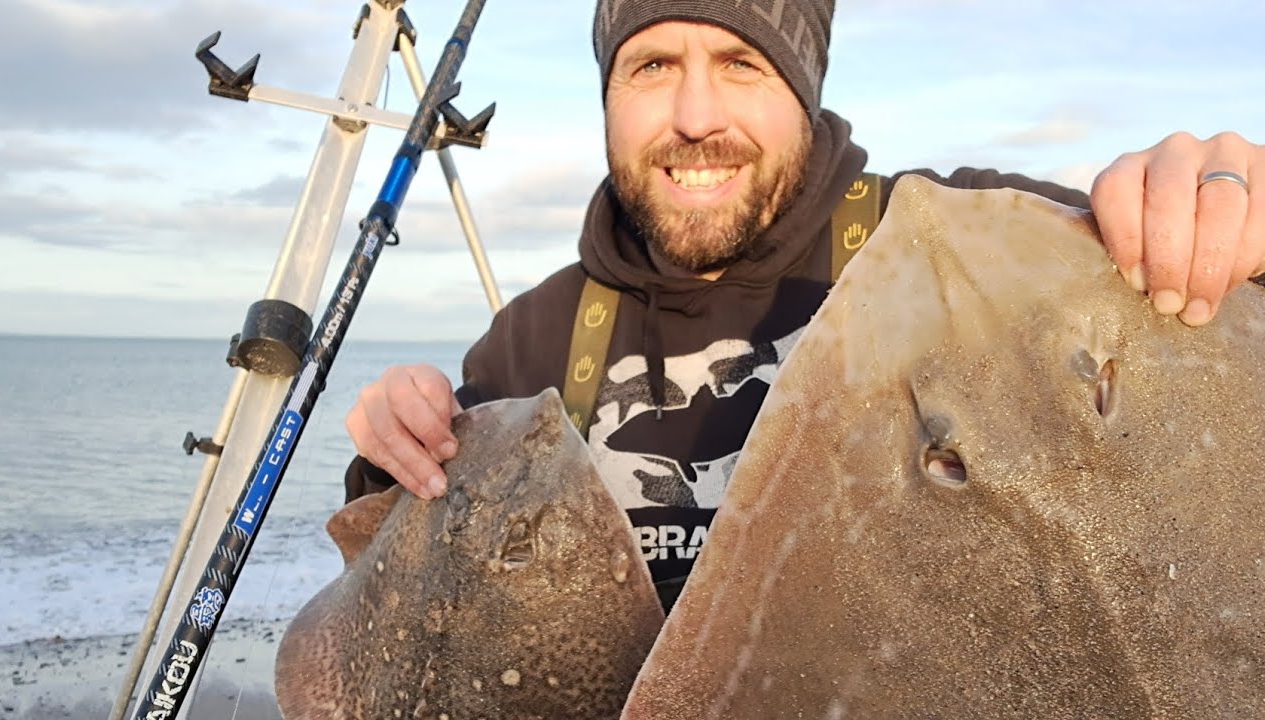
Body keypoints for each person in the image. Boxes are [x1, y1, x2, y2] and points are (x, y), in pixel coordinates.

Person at [342, 0, 1263, 611]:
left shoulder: (969, 249)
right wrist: (394, 456)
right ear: (608, 94)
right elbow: (423, 604)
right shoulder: (531, 343)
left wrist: (1219, 220)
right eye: (653, 65)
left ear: (803, 87)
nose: (696, 115)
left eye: (742, 64)